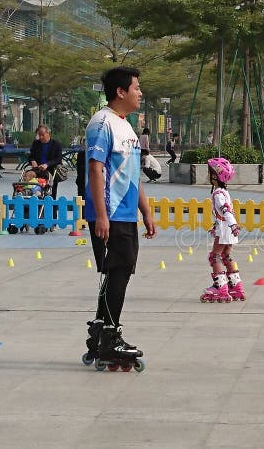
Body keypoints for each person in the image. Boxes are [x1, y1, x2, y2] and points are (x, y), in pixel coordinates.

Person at [82, 66, 156, 369]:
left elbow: (133, 174)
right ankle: (110, 339)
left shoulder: (127, 127)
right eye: (136, 87)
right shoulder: (102, 123)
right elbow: (95, 168)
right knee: (117, 272)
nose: (140, 93)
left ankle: (102, 331)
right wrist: (101, 215)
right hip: (109, 214)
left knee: (119, 272)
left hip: (125, 213)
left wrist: (146, 211)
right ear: (120, 92)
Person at [200, 157, 245, 303]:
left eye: (210, 173)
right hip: (228, 229)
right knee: (226, 255)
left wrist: (232, 225)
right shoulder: (224, 192)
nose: (208, 175)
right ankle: (235, 286)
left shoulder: (218, 194)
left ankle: (221, 288)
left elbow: (226, 211)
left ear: (215, 176)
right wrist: (220, 225)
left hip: (226, 229)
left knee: (215, 256)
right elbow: (224, 212)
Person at [28, 125, 63, 209]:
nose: (40, 137)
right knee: (28, 176)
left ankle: (52, 213)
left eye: (42, 135)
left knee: (51, 193)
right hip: (37, 170)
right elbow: (30, 156)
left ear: (48, 134)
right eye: (39, 135)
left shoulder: (56, 144)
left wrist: (47, 164)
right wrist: (32, 160)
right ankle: (32, 198)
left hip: (50, 171)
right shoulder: (36, 143)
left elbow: (58, 159)